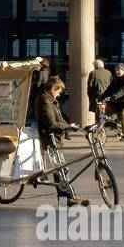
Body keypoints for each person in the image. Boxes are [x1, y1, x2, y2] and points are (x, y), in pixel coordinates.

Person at [36, 74, 86, 206]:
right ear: (53, 89)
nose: (58, 95)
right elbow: (51, 123)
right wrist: (68, 127)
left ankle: (66, 197)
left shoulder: (50, 100)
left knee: (62, 168)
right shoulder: (44, 101)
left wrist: (69, 127)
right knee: (61, 169)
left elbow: (60, 118)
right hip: (49, 138)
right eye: (58, 92)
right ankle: (67, 197)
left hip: (54, 138)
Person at [96, 62, 124, 138]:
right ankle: (118, 125)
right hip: (118, 102)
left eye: (120, 69)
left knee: (123, 113)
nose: (118, 71)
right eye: (116, 70)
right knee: (109, 116)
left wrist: (114, 96)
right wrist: (101, 97)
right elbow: (109, 90)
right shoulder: (115, 79)